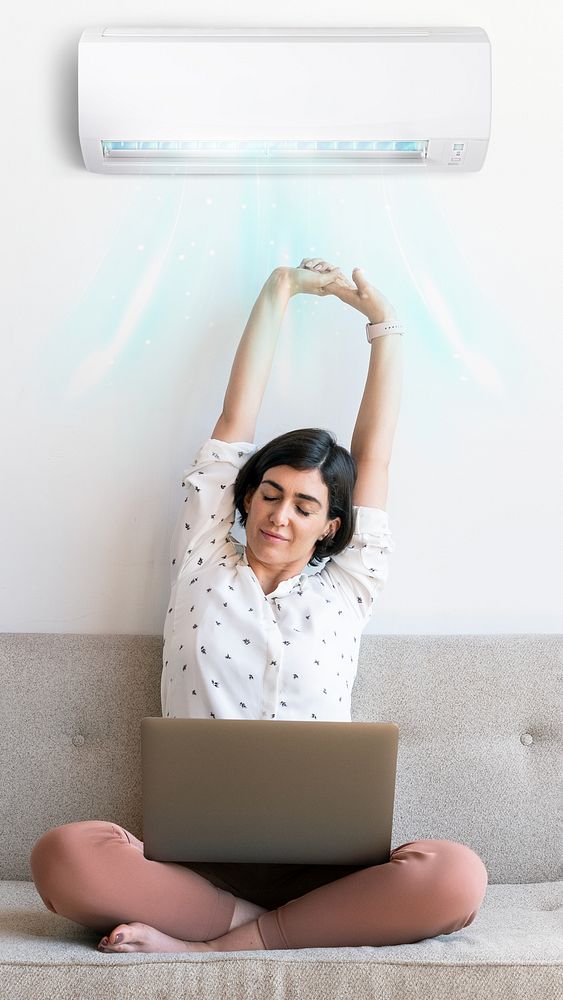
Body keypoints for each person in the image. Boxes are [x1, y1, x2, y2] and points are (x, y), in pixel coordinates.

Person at [30, 258, 488, 954]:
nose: (279, 514)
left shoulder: (349, 585)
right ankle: (258, 930)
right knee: (65, 856)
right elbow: (234, 417)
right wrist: (277, 292)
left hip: (325, 870)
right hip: (192, 868)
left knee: (456, 877)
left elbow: (376, 458)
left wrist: (382, 327)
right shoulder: (204, 557)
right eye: (268, 493)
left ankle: (216, 944)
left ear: (331, 524)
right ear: (244, 498)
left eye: (304, 505)